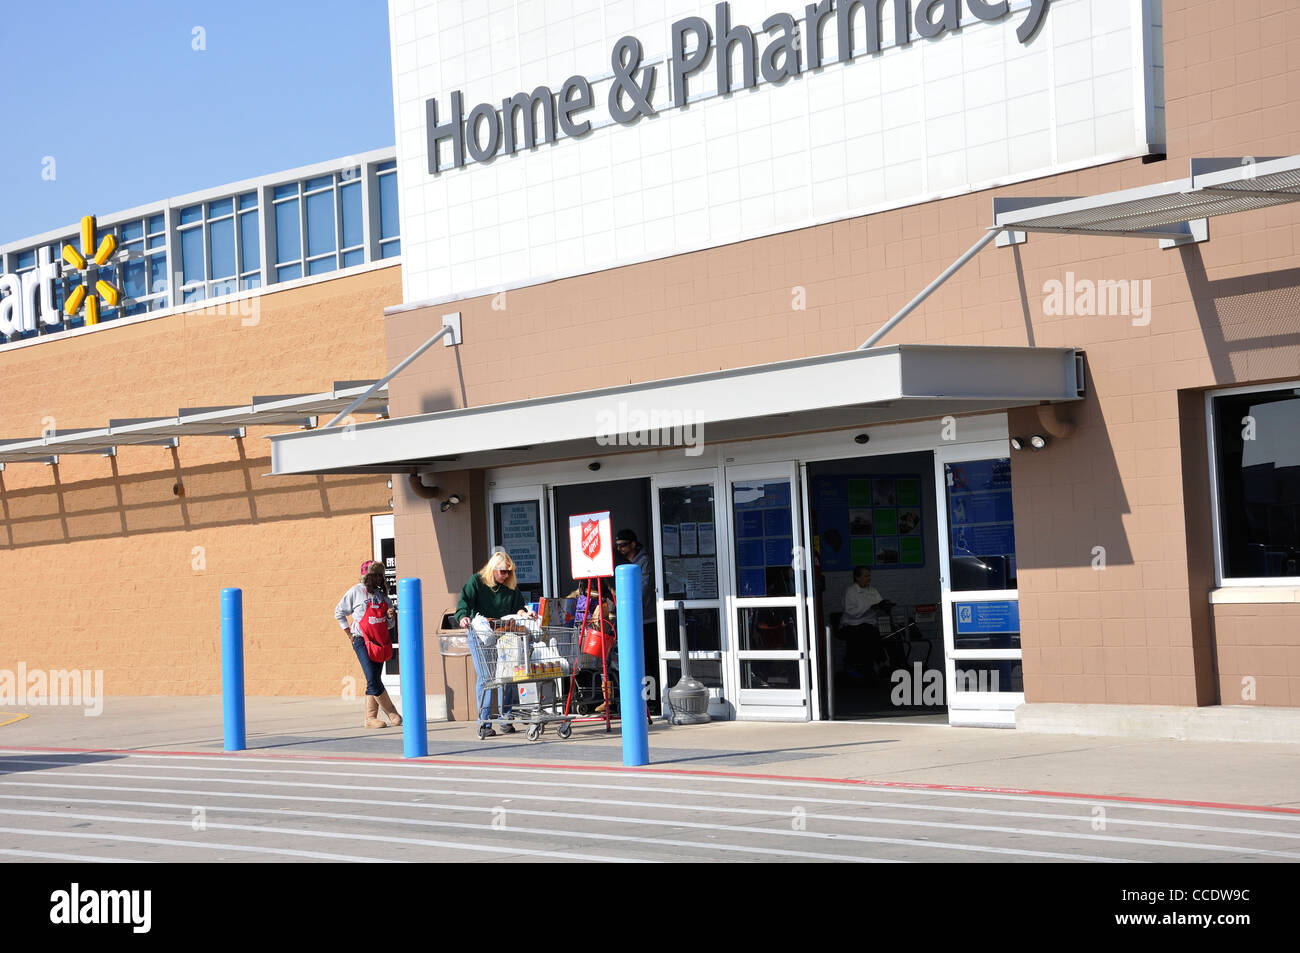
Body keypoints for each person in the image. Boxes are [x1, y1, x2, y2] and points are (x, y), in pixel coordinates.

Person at [456, 551, 532, 736]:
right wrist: (463, 617)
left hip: (502, 631)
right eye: (503, 572)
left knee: (506, 675)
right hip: (481, 633)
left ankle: (505, 719)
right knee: (487, 676)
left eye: (509, 572)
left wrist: (524, 613)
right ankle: (484, 723)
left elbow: (518, 607)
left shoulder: (510, 587)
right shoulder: (477, 582)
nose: (506, 575)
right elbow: (464, 602)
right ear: (493, 570)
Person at [335, 560, 402, 728]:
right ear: (367, 576)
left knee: (374, 679)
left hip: (379, 641)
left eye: (381, 575)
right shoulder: (356, 591)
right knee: (371, 677)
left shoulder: (383, 596)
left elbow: (389, 625)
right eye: (376, 575)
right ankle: (392, 712)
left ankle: (370, 718)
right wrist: (349, 634)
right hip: (361, 640)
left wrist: (390, 617)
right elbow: (339, 612)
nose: (379, 578)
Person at [615, 528, 657, 710]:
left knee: (649, 662)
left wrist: (632, 608)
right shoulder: (620, 562)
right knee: (631, 662)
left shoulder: (644, 561)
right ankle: (635, 701)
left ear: (633, 544)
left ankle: (652, 701)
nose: (620, 549)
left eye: (623, 545)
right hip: (628, 620)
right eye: (617, 546)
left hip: (646, 620)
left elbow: (644, 590)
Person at [838, 565, 890, 677]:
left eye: (869, 576)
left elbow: (879, 605)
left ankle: (878, 664)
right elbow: (851, 612)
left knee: (876, 631)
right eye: (866, 576)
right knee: (868, 632)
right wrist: (870, 608)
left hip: (870, 624)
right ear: (857, 578)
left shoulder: (873, 591)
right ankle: (877, 663)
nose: (869, 578)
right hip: (852, 624)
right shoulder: (850, 591)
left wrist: (884, 607)